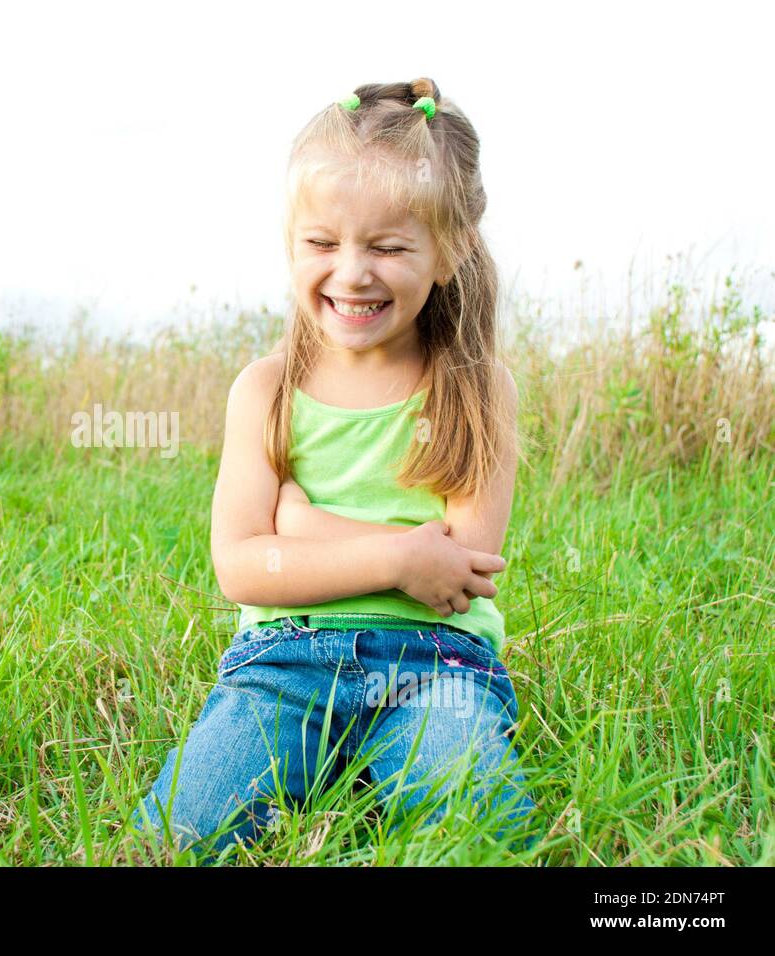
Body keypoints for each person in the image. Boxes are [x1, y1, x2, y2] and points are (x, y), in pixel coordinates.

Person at [130, 78, 539, 863]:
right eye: (322, 243)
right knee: (179, 834)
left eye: (387, 247)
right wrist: (395, 554)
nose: (352, 273)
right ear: (292, 246)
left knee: (476, 828)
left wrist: (302, 523)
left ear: (449, 250)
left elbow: (459, 570)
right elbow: (242, 568)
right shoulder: (267, 390)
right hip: (285, 661)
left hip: (438, 666)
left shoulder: (476, 387)